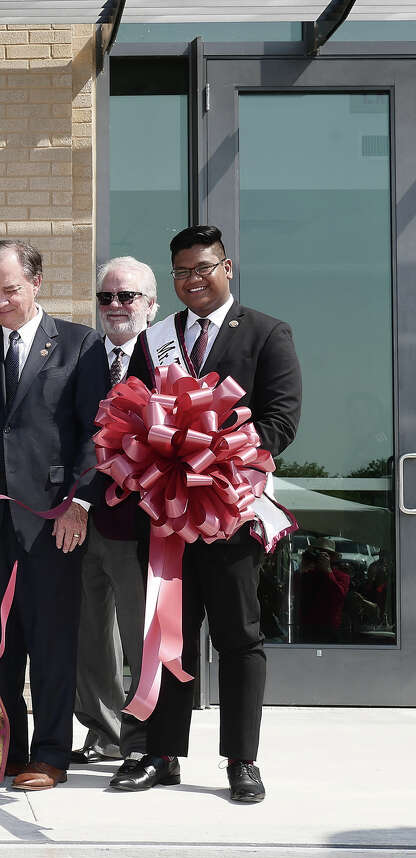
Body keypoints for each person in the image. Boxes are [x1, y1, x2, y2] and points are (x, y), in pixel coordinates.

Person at [114, 224, 302, 803]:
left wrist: (221, 455)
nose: (193, 280)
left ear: (226, 268)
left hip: (229, 508)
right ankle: (163, 753)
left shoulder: (267, 333)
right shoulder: (157, 338)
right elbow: (135, 409)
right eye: (182, 273)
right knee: (168, 632)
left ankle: (241, 760)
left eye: (204, 268)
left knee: (239, 636)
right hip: (169, 509)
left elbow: (282, 419)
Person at [0, 240, 109, 790]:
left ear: (36, 283)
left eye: (9, 290)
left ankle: (52, 754)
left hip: (53, 518)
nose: (1, 302)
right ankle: (3, 748)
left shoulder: (82, 345)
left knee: (52, 640)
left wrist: (79, 504)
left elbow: (97, 434)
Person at [71, 257, 158, 775]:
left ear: (150, 303)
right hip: (80, 520)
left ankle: (147, 738)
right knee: (90, 634)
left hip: (141, 523)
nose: (116, 307)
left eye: (127, 297)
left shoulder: (167, 357)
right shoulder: (80, 357)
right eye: (106, 298)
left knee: (140, 633)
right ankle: (102, 731)